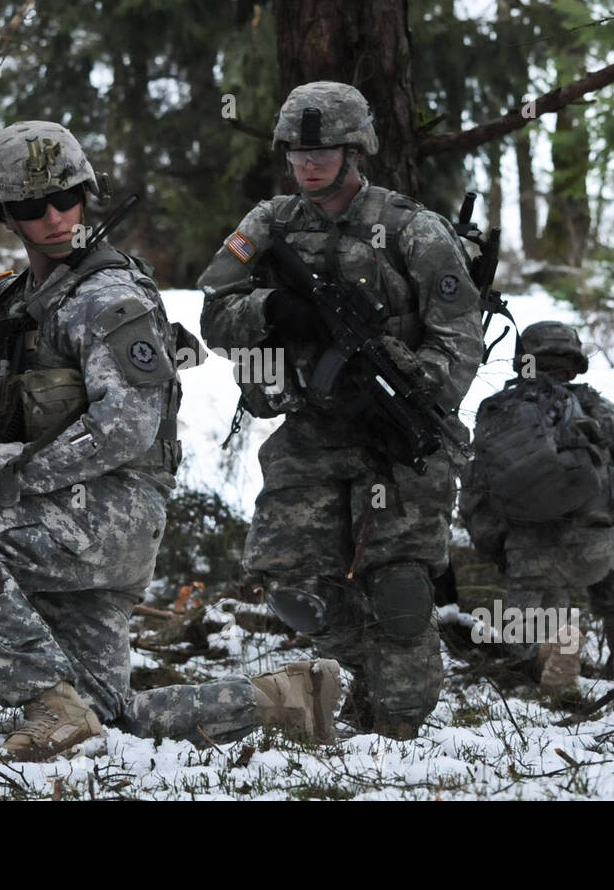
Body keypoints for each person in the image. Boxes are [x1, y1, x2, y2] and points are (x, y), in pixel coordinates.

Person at [0, 121, 341, 760]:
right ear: (6, 215)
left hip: (108, 516)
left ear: (87, 195)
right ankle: (288, 698)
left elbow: (127, 429)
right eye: (32, 206)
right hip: (70, 524)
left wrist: (5, 467)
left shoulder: (109, 298)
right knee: (112, 715)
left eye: (67, 198)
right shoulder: (13, 299)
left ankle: (48, 705)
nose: (55, 217)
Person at [198, 82, 485, 739]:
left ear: (355, 148)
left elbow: (459, 337)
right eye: (298, 149)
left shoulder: (412, 227)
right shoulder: (268, 223)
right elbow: (213, 312)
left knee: (401, 594)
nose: (308, 162)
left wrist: (410, 386)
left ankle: (397, 726)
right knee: (294, 584)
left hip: (400, 430)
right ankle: (364, 669)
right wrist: (271, 309)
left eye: (323, 148)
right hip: (310, 429)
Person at [458, 321, 614, 694]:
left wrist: (500, 548)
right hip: (597, 548)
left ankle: (554, 647)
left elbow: (475, 494)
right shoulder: (596, 408)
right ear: (575, 364)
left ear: (524, 362)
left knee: (523, 631)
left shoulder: (498, 413)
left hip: (528, 553)